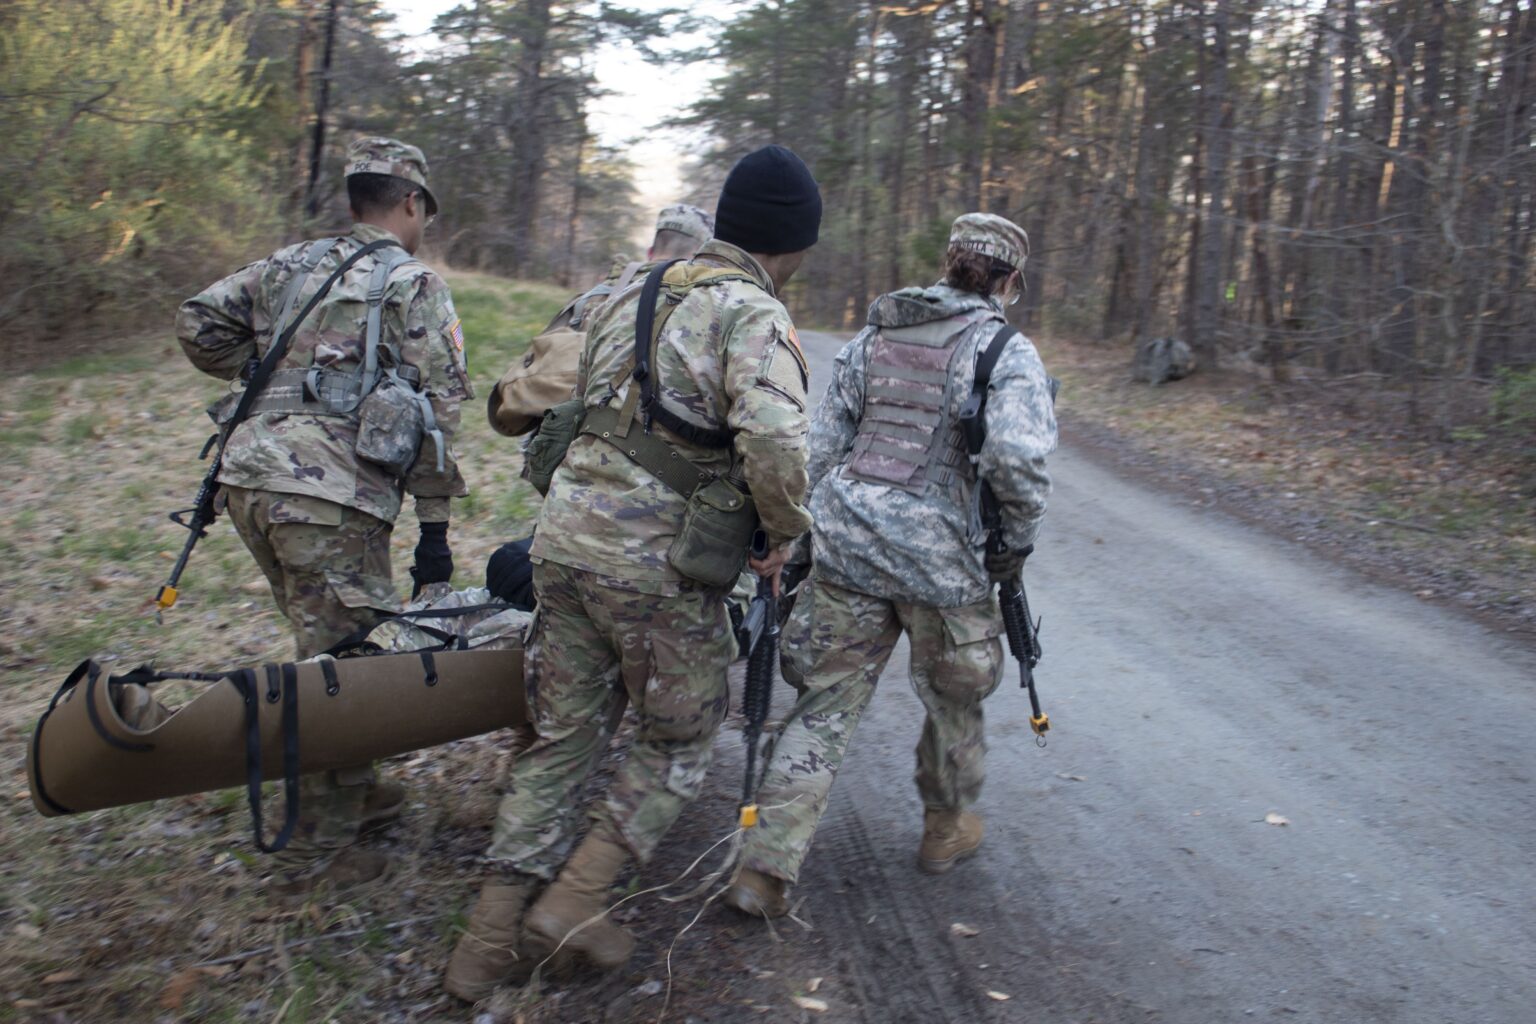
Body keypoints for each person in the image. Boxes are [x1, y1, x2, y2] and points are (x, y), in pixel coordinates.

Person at [444, 145, 821, 1001]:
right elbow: (774, 442)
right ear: (796, 243)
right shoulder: (754, 315)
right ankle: (576, 898)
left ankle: (485, 941)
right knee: (682, 734)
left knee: (561, 738)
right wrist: (783, 534)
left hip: (564, 547)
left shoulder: (634, 290)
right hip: (658, 569)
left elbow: (549, 396)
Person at [723, 213, 1058, 918]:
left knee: (822, 706)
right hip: (946, 568)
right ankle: (945, 828)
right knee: (954, 699)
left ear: (948, 263)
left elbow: (819, 447)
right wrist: (1014, 543)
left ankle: (764, 866)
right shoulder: (1006, 350)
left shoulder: (875, 336)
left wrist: (801, 533)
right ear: (1007, 280)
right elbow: (1018, 458)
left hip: (851, 550)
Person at [176, 137, 472, 900]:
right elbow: (441, 417)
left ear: (353, 201)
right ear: (411, 205)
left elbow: (197, 324)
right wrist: (435, 534)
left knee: (324, 642)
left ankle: (357, 790)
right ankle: (322, 848)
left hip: (247, 482)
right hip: (327, 500)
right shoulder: (414, 283)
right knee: (350, 668)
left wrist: (266, 372)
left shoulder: (284, 267)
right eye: (423, 211)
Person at [488, 203, 716, 440]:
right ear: (697, 258)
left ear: (650, 252)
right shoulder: (704, 309)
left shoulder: (594, 297)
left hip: (565, 459)